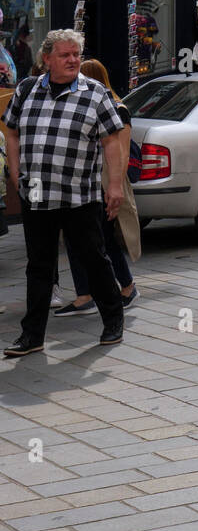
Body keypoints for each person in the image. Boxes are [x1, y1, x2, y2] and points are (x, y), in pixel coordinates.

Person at [2, 30, 126, 358]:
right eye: (65, 55)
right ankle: (33, 336)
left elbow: (112, 140)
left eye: (76, 54)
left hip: (79, 194)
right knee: (39, 266)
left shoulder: (94, 92)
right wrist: (15, 173)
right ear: (47, 59)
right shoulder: (27, 89)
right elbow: (11, 132)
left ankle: (113, 318)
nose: (73, 60)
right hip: (36, 191)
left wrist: (114, 185)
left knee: (93, 259)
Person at [54, 58, 140, 316]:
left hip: (101, 181)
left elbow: (122, 153)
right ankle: (92, 293)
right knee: (84, 238)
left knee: (97, 238)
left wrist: (113, 187)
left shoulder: (117, 109)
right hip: (82, 179)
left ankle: (120, 288)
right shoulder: (87, 105)